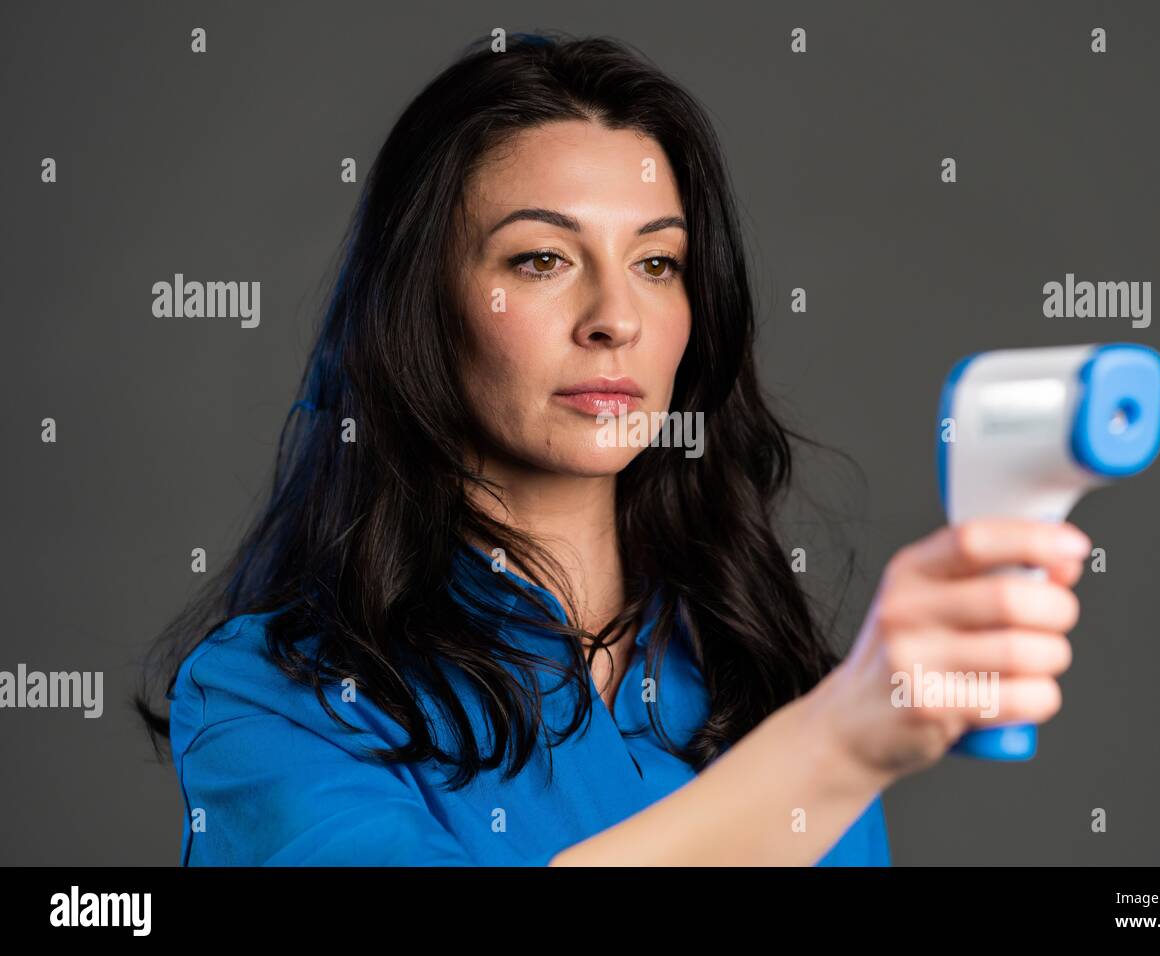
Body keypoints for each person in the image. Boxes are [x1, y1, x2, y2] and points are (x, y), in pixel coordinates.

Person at [135, 32, 1085, 866]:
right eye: (541, 260)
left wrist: (830, 735)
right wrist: (840, 745)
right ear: (421, 306)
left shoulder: (761, 681)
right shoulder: (272, 698)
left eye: (657, 263)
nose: (615, 319)